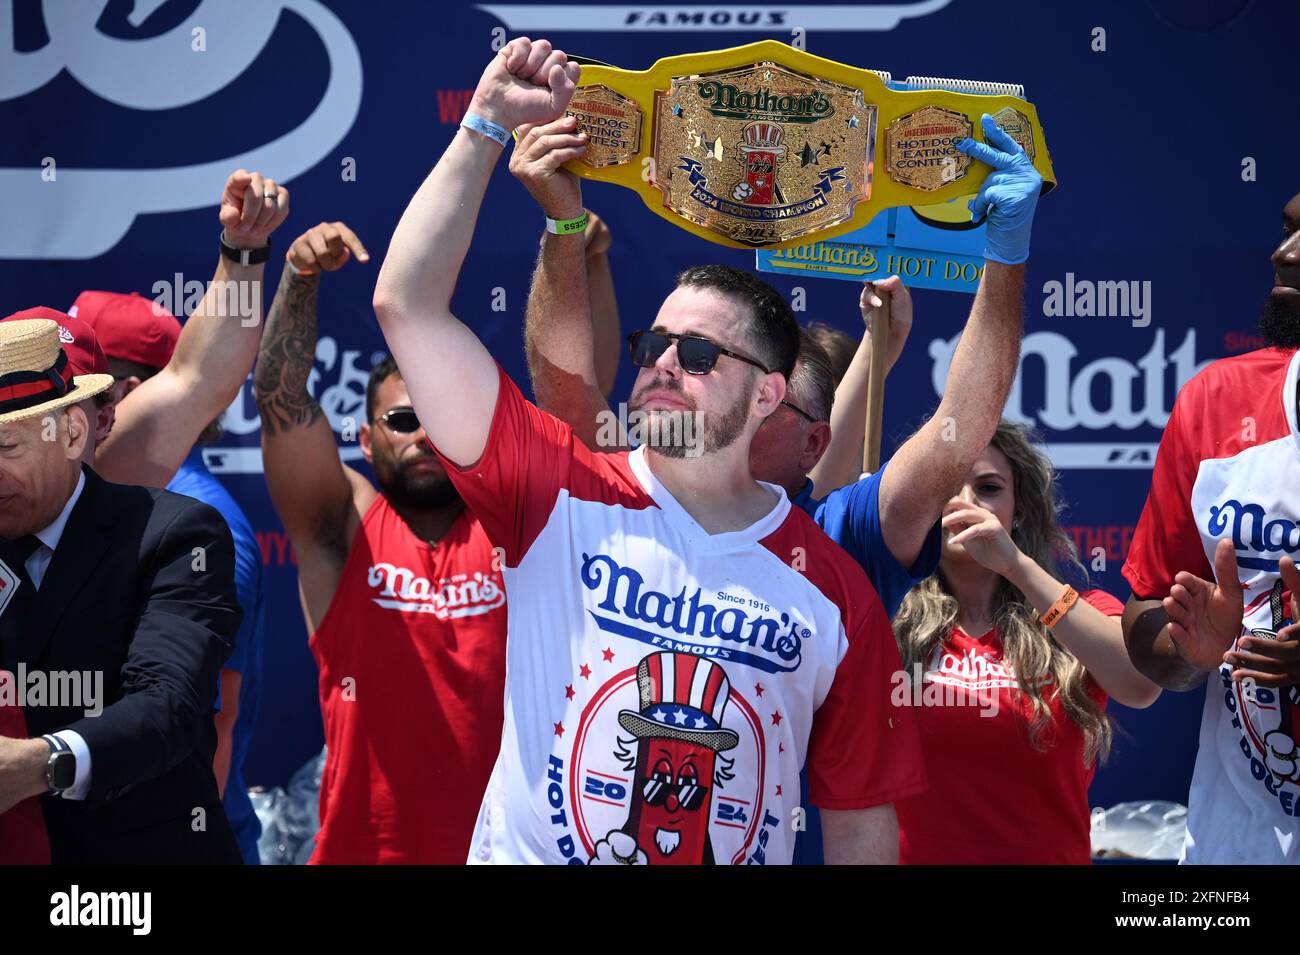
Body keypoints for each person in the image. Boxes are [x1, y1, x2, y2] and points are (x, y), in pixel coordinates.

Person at [373, 37, 926, 865]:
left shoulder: (835, 592)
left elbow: (859, 827)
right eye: (654, 345)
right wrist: (484, 124)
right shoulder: (553, 487)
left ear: (768, 395)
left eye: (700, 356)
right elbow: (407, 304)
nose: (666, 364)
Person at [512, 108, 1042, 862]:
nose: (686, 377)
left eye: (709, 358)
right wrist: (566, 236)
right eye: (671, 354)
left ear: (800, 430)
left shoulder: (837, 544)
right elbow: (566, 392)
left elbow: (963, 423)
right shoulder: (615, 497)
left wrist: (1006, 255)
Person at [0, 318, 243, 863]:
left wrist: (39, 765)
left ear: (73, 434)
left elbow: (169, 704)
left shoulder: (174, 535)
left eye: (6, 447)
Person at [1122, 191, 1300, 864]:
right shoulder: (1217, 405)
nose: (1283, 256)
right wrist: (1190, 648)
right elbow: (1145, 623)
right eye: (1286, 231)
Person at [892, 421, 1159, 863]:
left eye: (989, 488)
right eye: (944, 485)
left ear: (1017, 511)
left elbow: (1140, 683)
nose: (965, 502)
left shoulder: (1078, 611)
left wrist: (1015, 566)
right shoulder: (884, 614)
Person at [73, 291, 266, 866]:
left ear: (123, 401)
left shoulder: (204, 525)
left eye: (77, 383)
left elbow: (215, 722)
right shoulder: (77, 505)